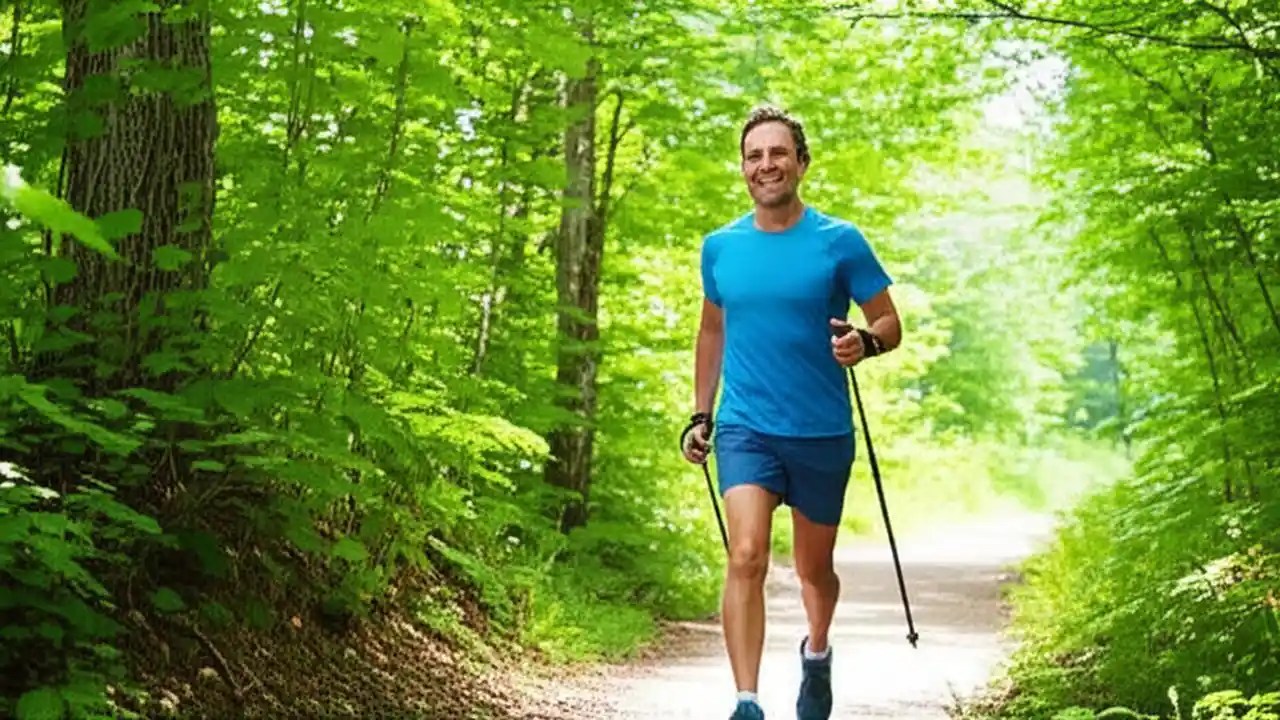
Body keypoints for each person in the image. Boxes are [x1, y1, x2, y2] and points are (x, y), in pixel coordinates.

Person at [681, 105, 902, 720]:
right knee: (746, 554)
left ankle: (817, 650)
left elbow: (889, 322)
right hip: (746, 426)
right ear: (743, 168)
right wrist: (702, 416)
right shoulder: (720, 248)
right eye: (754, 156)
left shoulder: (839, 242)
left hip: (820, 429)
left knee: (813, 571)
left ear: (801, 163)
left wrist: (867, 341)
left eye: (778, 153)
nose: (766, 164)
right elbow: (711, 332)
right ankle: (747, 700)